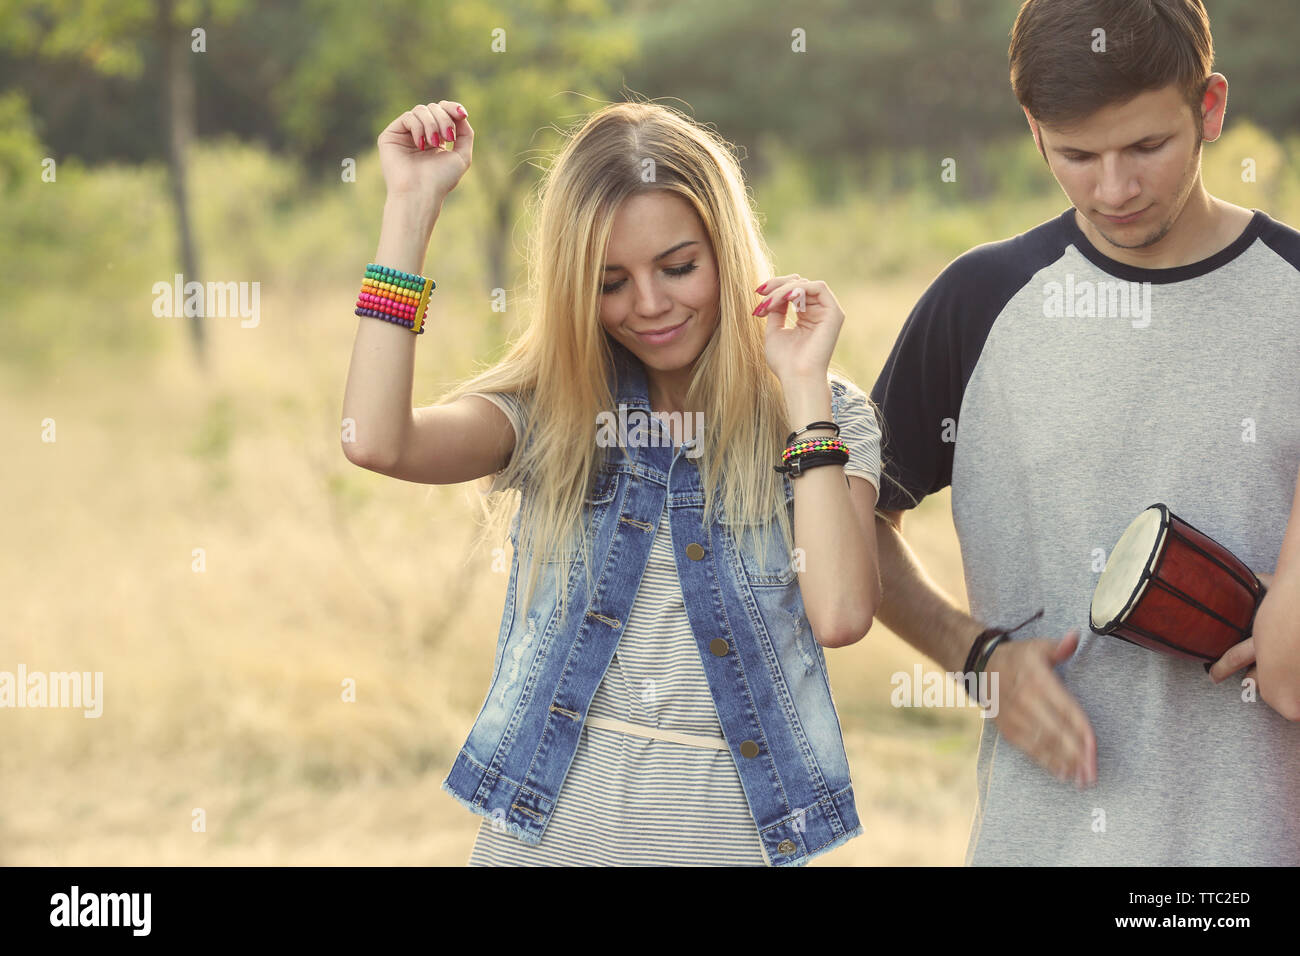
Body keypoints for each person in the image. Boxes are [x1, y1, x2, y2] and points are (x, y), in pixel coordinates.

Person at [340, 97, 884, 866]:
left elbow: (840, 613)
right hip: (547, 840)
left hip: (726, 841)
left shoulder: (824, 418)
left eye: (678, 267)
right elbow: (375, 441)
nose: (651, 305)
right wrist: (409, 208)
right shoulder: (558, 409)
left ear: (726, 249)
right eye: (611, 282)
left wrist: (802, 388)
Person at [869, 0, 1300, 865]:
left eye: (1146, 148)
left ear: (1209, 108)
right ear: (1034, 133)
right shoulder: (977, 301)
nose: (1114, 188)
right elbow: (849, 528)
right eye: (1077, 155)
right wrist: (976, 657)